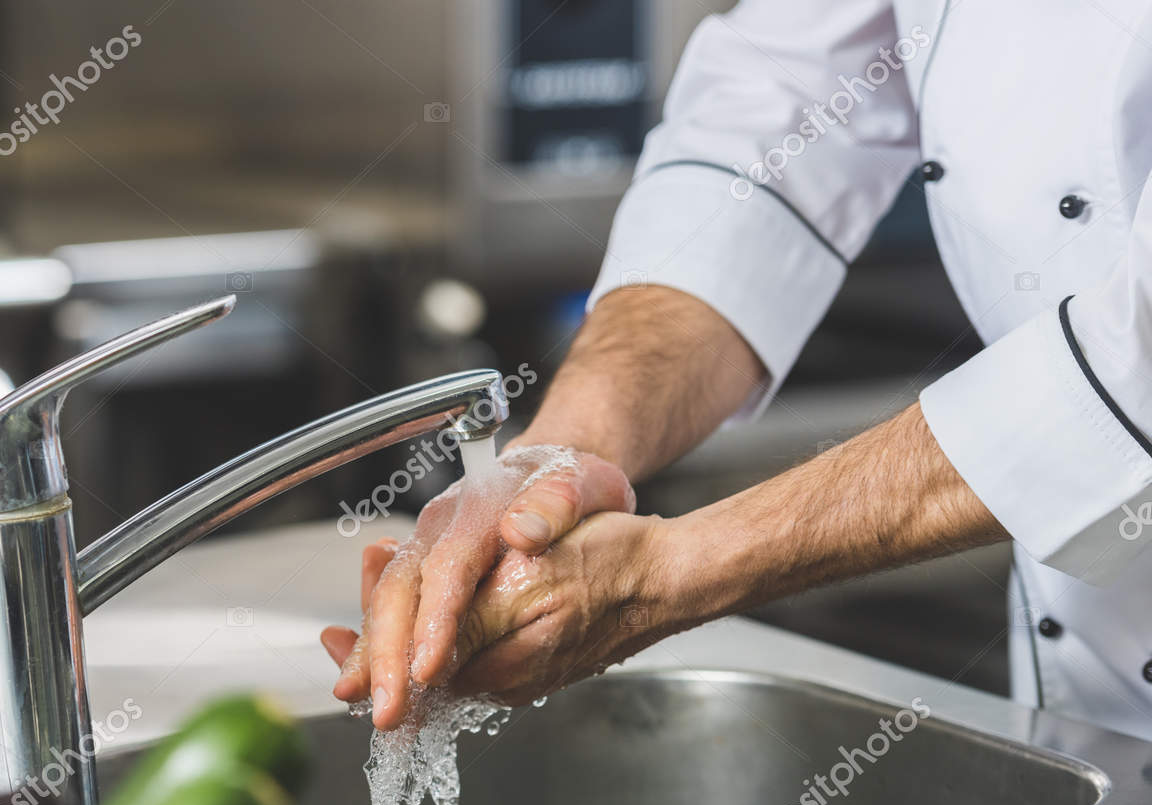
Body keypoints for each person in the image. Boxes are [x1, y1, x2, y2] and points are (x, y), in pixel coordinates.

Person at [322, 0, 1152, 739]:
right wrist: (553, 466)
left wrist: (666, 574)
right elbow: (769, 133)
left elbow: (1135, 359)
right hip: (1097, 715)